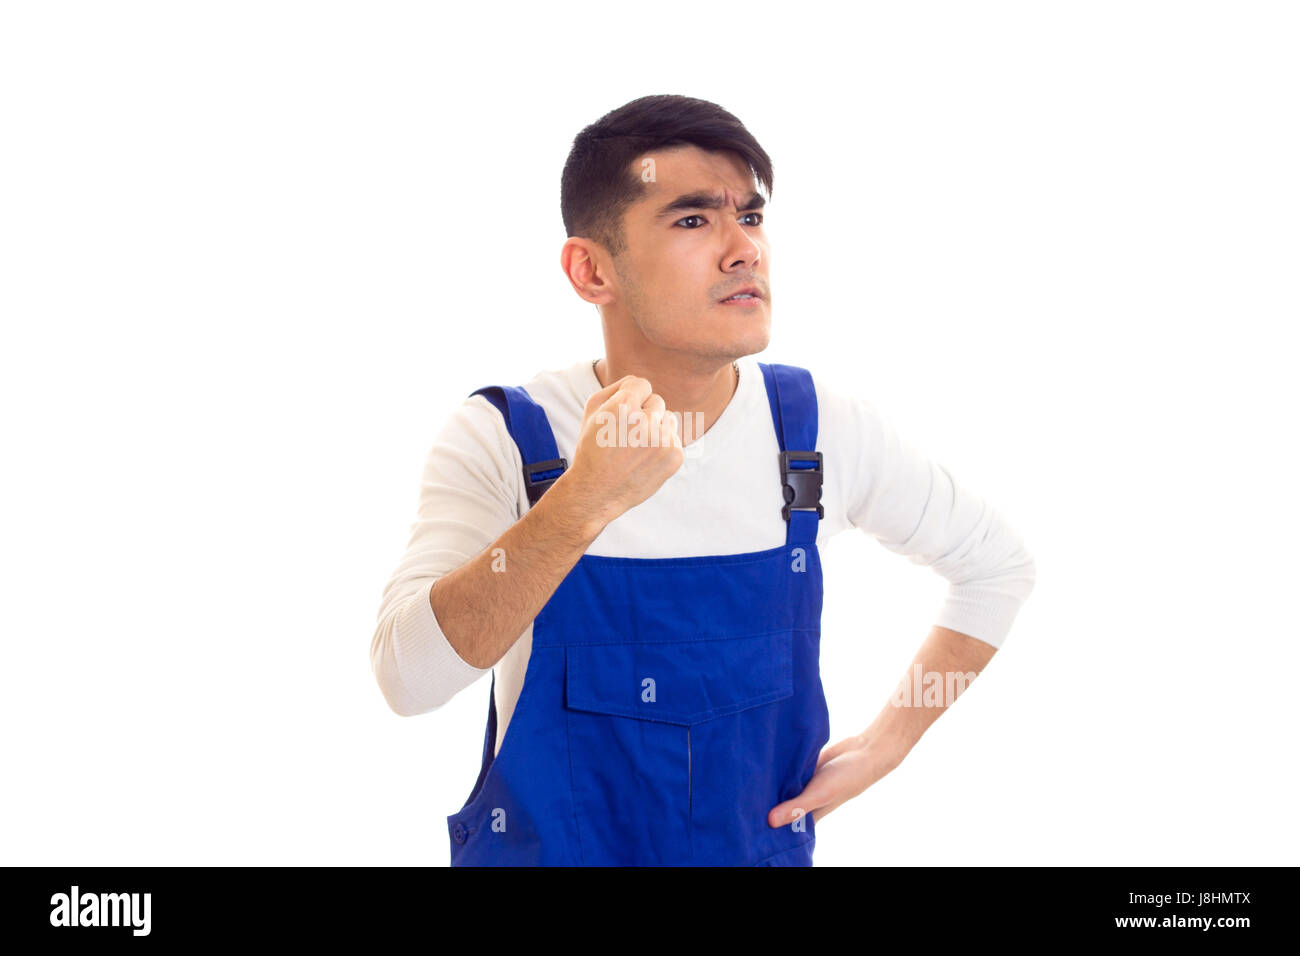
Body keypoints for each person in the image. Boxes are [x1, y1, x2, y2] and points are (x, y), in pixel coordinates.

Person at [370, 94, 1036, 866]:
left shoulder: (815, 436)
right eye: (693, 221)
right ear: (591, 270)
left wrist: (890, 742)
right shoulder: (507, 439)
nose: (742, 250)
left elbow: (997, 568)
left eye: (750, 218)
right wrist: (581, 502)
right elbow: (406, 679)